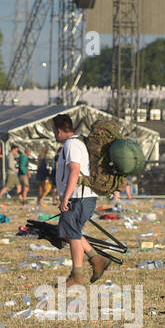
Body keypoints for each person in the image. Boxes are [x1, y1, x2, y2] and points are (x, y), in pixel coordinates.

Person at [52, 114, 104, 287]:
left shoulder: (71, 144)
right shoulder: (76, 142)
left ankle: (77, 275)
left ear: (59, 130)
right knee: (70, 232)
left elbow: (74, 171)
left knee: (71, 233)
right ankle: (96, 259)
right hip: (81, 196)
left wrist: (65, 198)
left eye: (54, 131)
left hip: (78, 197)